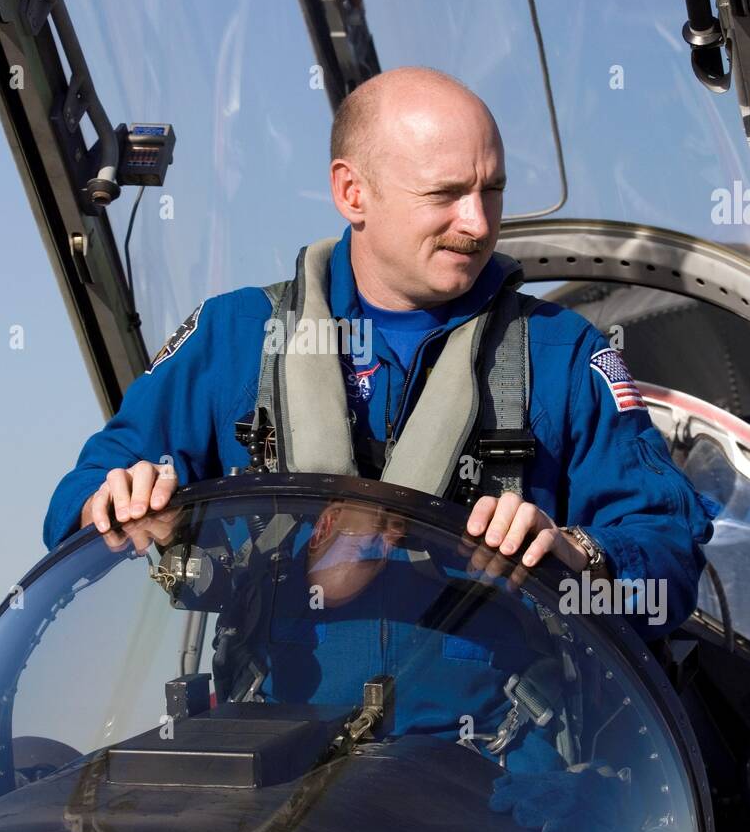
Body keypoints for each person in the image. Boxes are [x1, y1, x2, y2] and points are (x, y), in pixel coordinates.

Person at [44, 66, 716, 636]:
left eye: (492, 189)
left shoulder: (562, 353)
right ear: (351, 192)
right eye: (446, 194)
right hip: (277, 748)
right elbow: (74, 504)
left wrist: (577, 553)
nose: (478, 223)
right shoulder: (234, 338)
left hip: (506, 766)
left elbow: (668, 556)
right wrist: (115, 498)